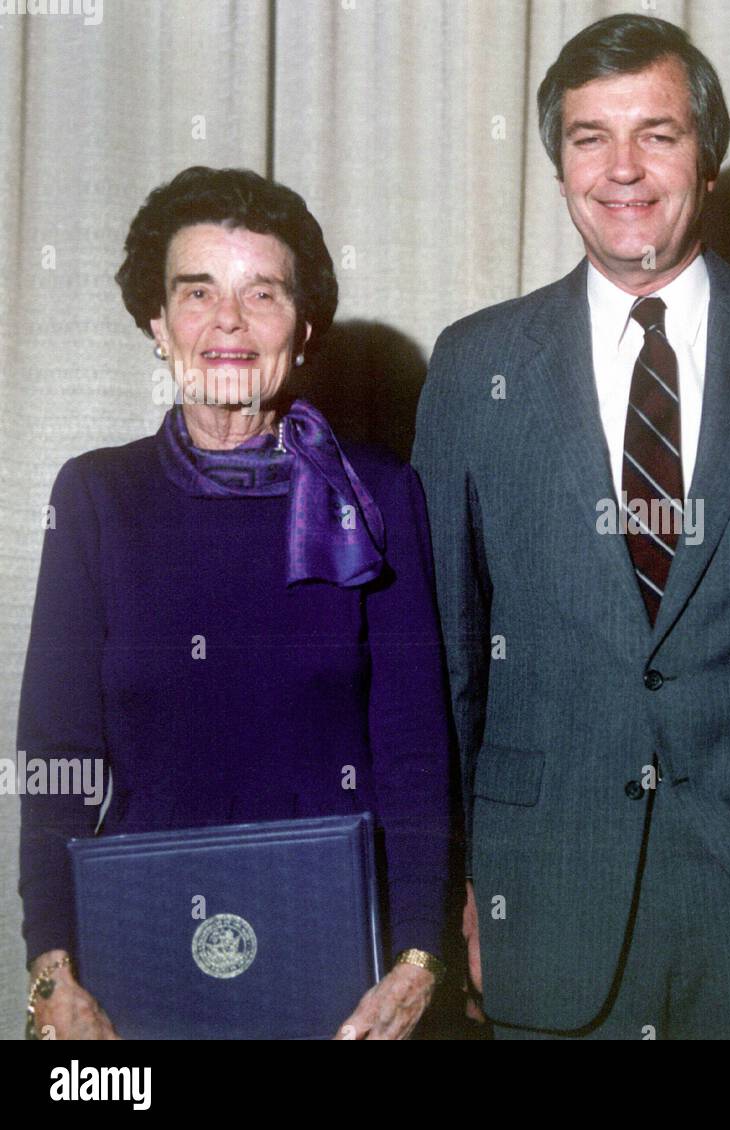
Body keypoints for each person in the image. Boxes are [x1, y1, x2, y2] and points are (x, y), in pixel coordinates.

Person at [413, 13, 730, 1038]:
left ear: (706, 158)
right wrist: (444, 891)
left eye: (657, 134)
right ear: (557, 166)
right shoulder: (471, 366)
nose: (622, 168)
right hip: (545, 894)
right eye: (590, 137)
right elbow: (446, 658)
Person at [19, 166, 452, 1040]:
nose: (227, 323)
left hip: (342, 969)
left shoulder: (376, 493)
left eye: (262, 294)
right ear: (156, 320)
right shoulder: (97, 497)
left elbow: (416, 760)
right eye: (197, 292)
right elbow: (55, 761)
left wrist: (415, 964)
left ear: (304, 326)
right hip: (137, 966)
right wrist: (52, 971)